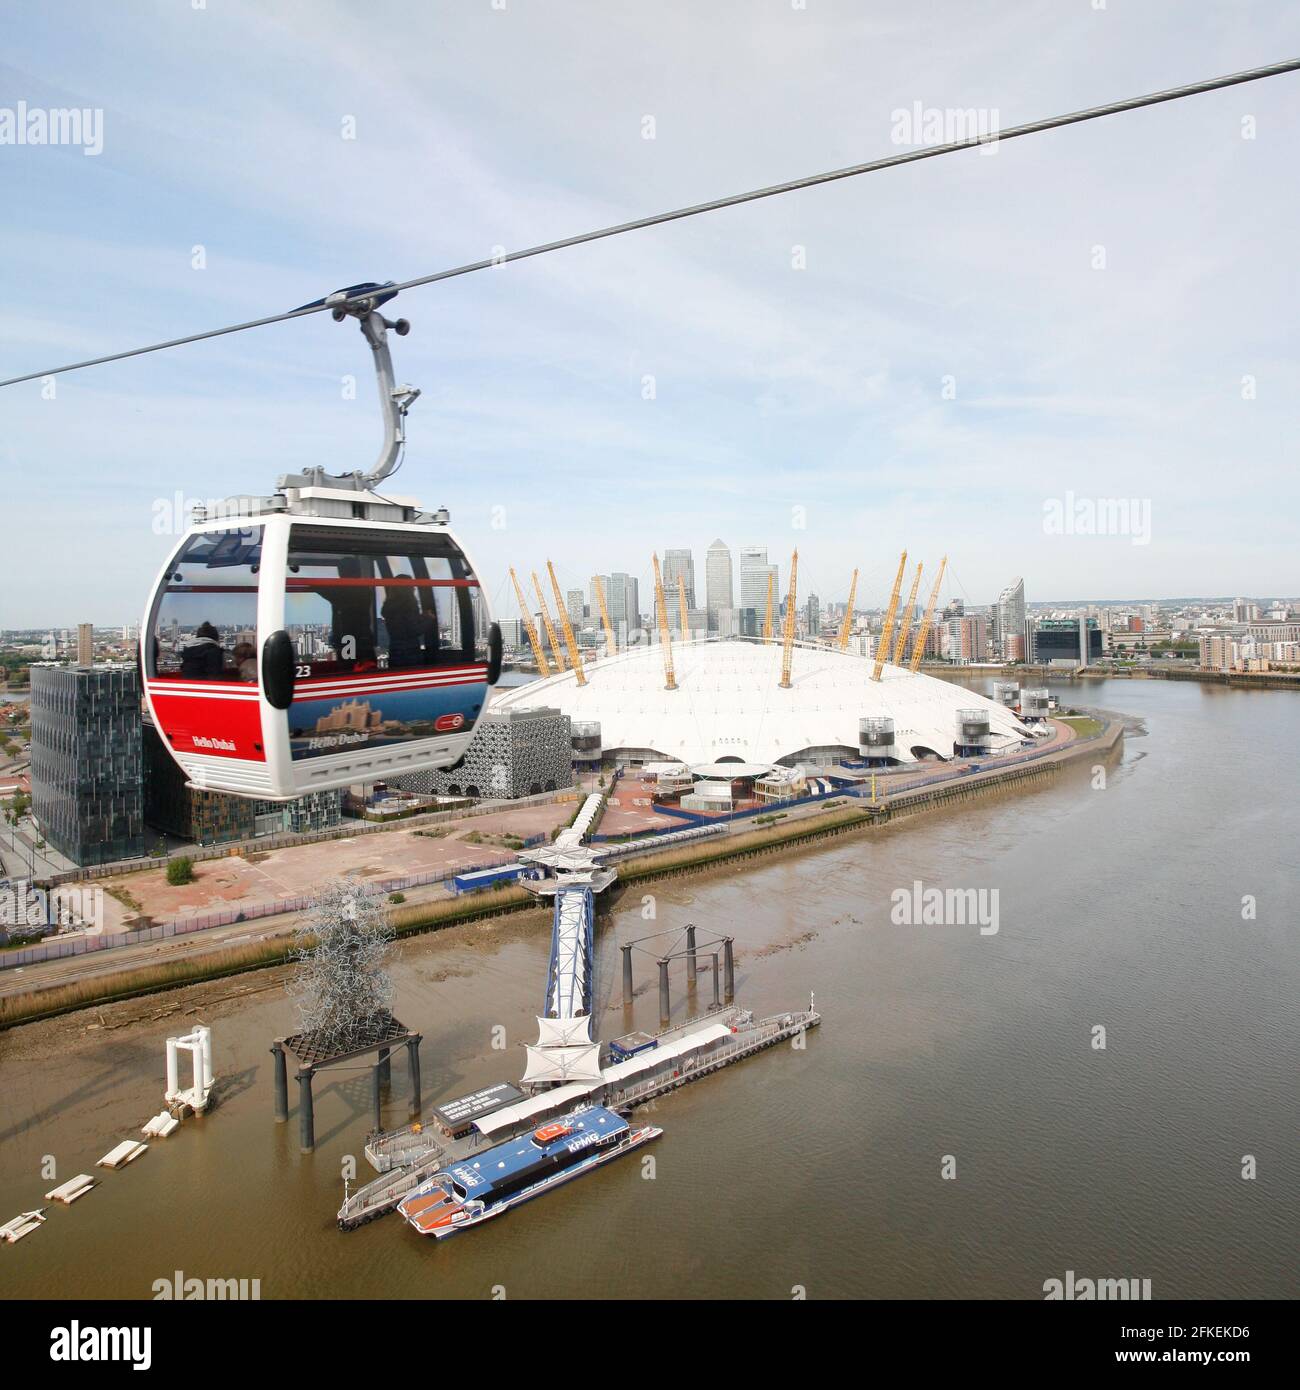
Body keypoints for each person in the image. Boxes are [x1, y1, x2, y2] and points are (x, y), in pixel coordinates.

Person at [382, 585, 438, 668]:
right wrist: (429, 619)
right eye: (412, 586)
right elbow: (414, 630)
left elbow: (404, 623)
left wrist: (422, 616)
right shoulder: (408, 605)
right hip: (410, 652)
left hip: (395, 650)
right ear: (405, 589)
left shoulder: (389, 606)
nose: (414, 588)